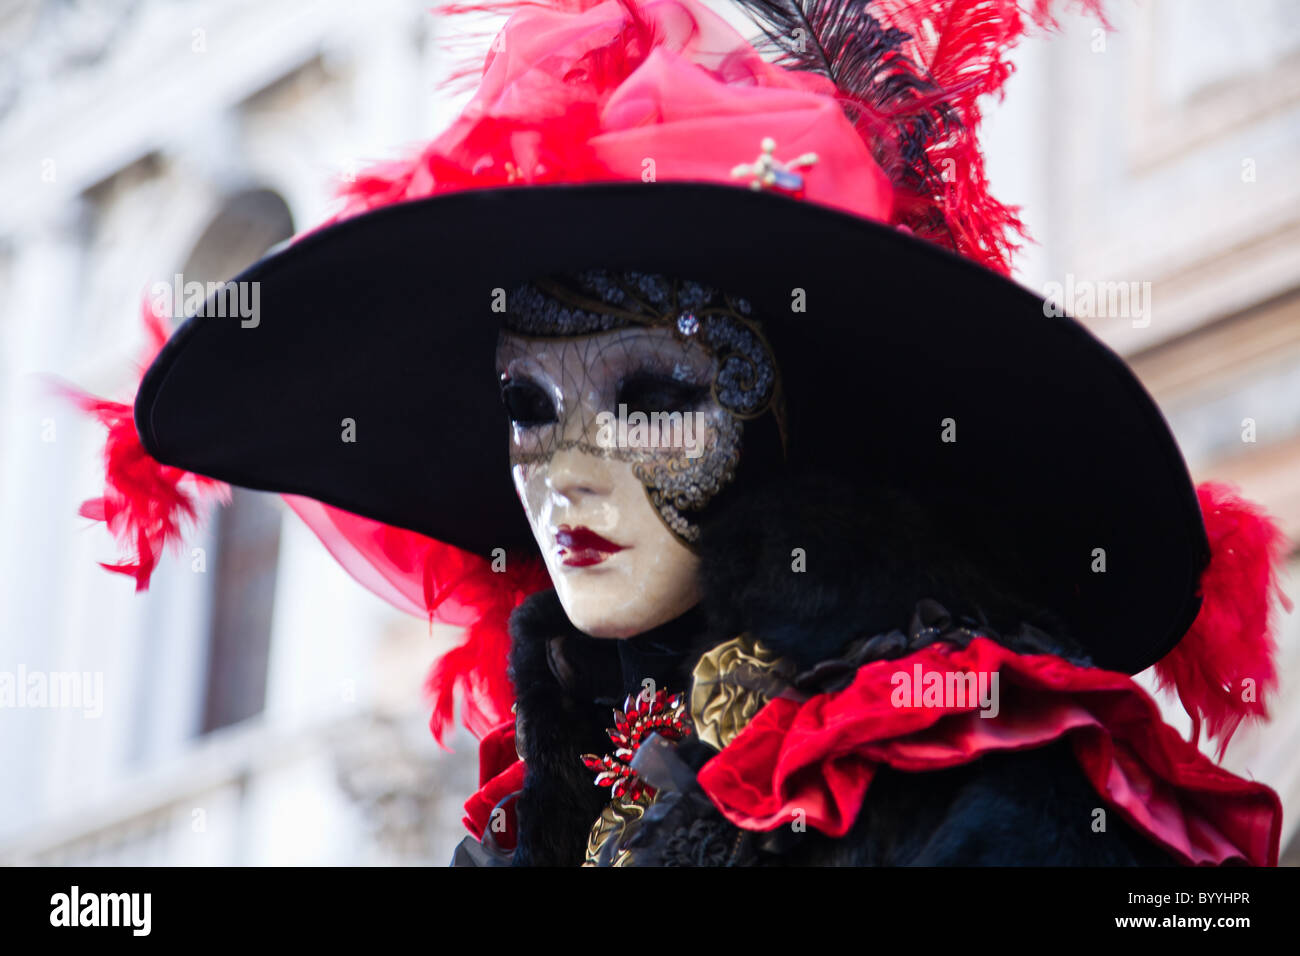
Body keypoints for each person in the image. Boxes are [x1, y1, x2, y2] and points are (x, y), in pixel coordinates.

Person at [71, 0, 1287, 866]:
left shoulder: (978, 785)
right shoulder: (541, 815)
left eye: (650, 397)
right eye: (527, 409)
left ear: (777, 426)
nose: (565, 477)